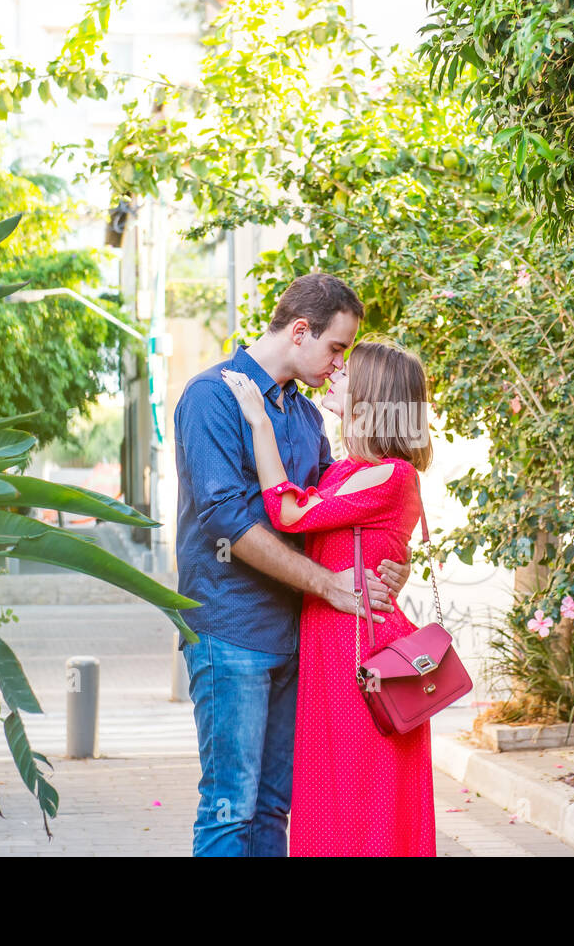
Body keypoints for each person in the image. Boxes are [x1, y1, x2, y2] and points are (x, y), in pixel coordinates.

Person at [172, 273, 411, 857]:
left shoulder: (305, 419)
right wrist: (327, 584)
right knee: (231, 807)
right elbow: (226, 520)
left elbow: (328, 516)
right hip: (232, 632)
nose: (338, 364)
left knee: (274, 807)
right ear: (300, 331)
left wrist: (390, 563)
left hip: (297, 639)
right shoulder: (211, 397)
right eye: (336, 348)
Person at [221, 336, 436, 856]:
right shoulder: (348, 470)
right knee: (331, 796)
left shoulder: (392, 473)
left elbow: (289, 513)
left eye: (348, 371)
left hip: (361, 649)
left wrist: (260, 424)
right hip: (334, 641)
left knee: (361, 800)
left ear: (372, 395)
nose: (335, 373)